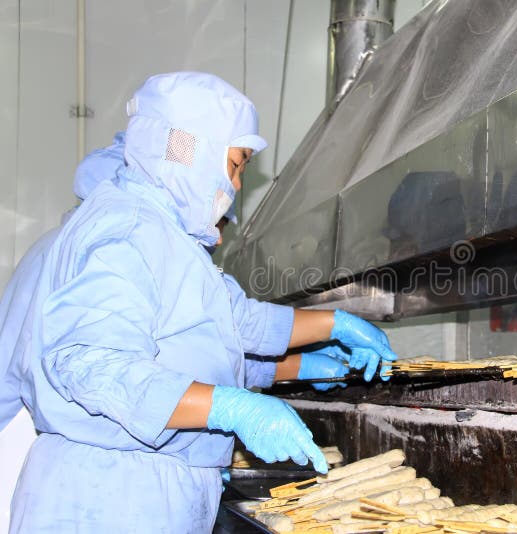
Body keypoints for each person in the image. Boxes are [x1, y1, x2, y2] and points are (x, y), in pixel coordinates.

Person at [7, 72, 397, 532]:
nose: (234, 186)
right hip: (112, 499)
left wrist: (334, 325)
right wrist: (232, 408)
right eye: (233, 165)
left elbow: (235, 320)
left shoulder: (168, 239)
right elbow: (92, 365)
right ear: (188, 152)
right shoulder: (129, 232)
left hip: (145, 491)